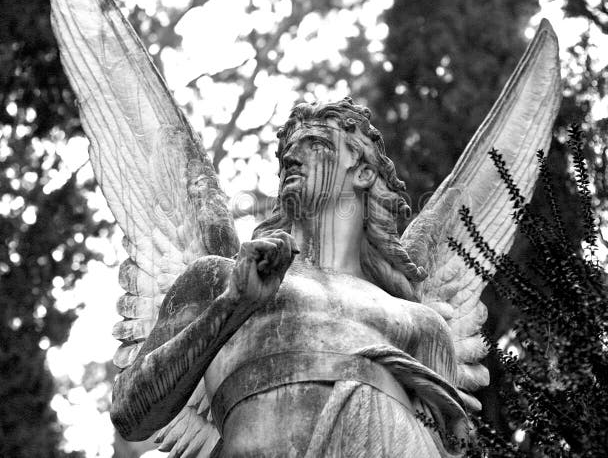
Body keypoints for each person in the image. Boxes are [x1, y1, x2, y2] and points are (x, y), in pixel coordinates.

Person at [110, 98, 468, 457]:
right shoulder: (222, 278)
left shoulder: (420, 323)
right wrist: (233, 306)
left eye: (316, 145)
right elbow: (131, 413)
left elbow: (455, 444)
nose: (293, 158)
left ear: (363, 173)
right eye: (286, 154)